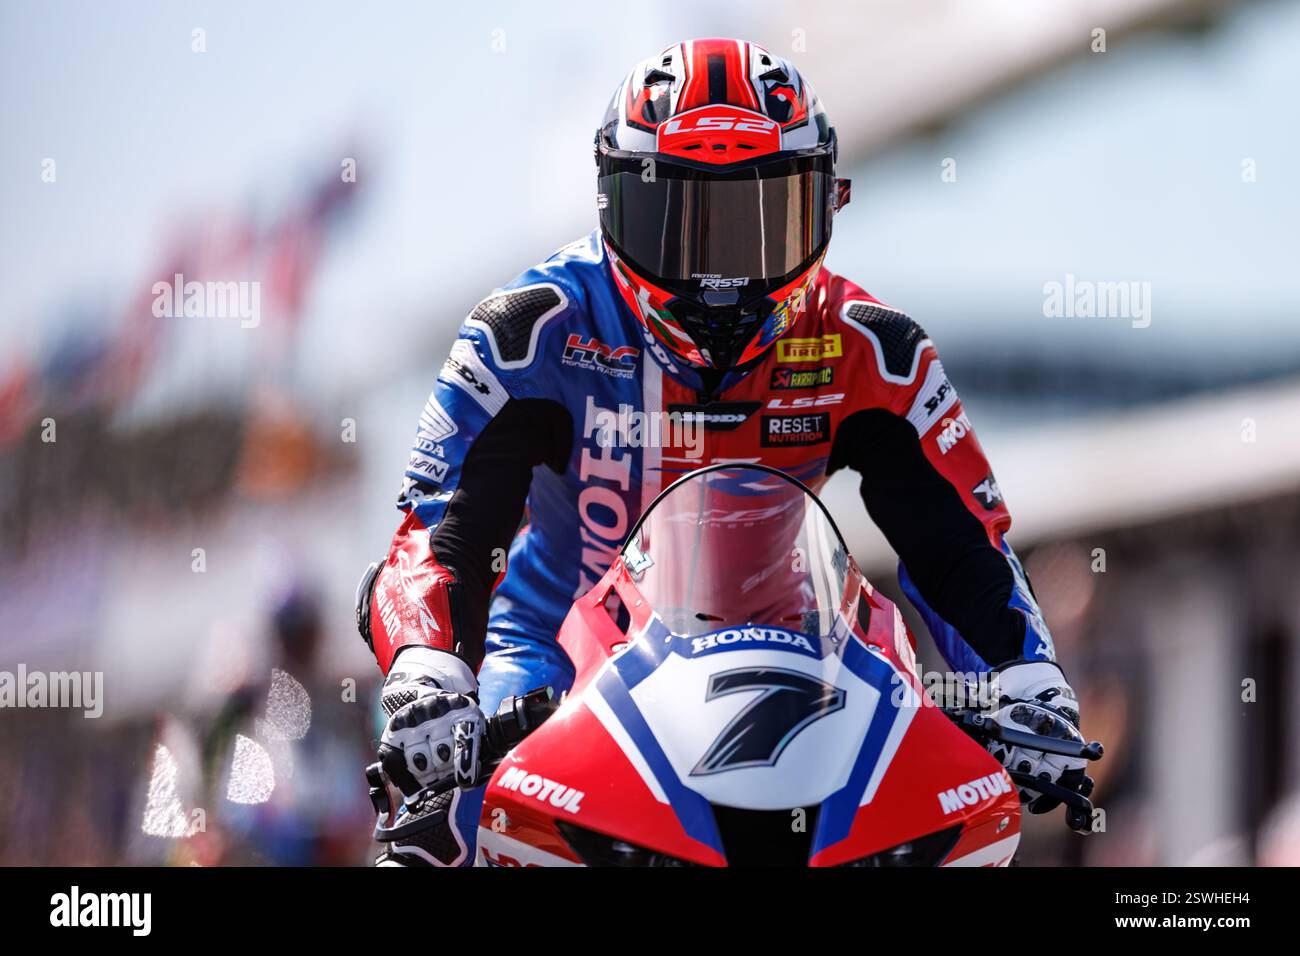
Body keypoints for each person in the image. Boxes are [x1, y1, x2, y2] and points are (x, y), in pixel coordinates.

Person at [355, 38, 1085, 866]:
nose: (720, 277)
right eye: (681, 224)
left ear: (825, 205)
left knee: (971, 822)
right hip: (553, 668)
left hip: (808, 668)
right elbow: (437, 528)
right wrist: (428, 670)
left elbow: (962, 548)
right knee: (439, 833)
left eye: (758, 222)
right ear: (611, 207)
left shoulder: (870, 347)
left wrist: (1031, 685)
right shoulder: (527, 334)